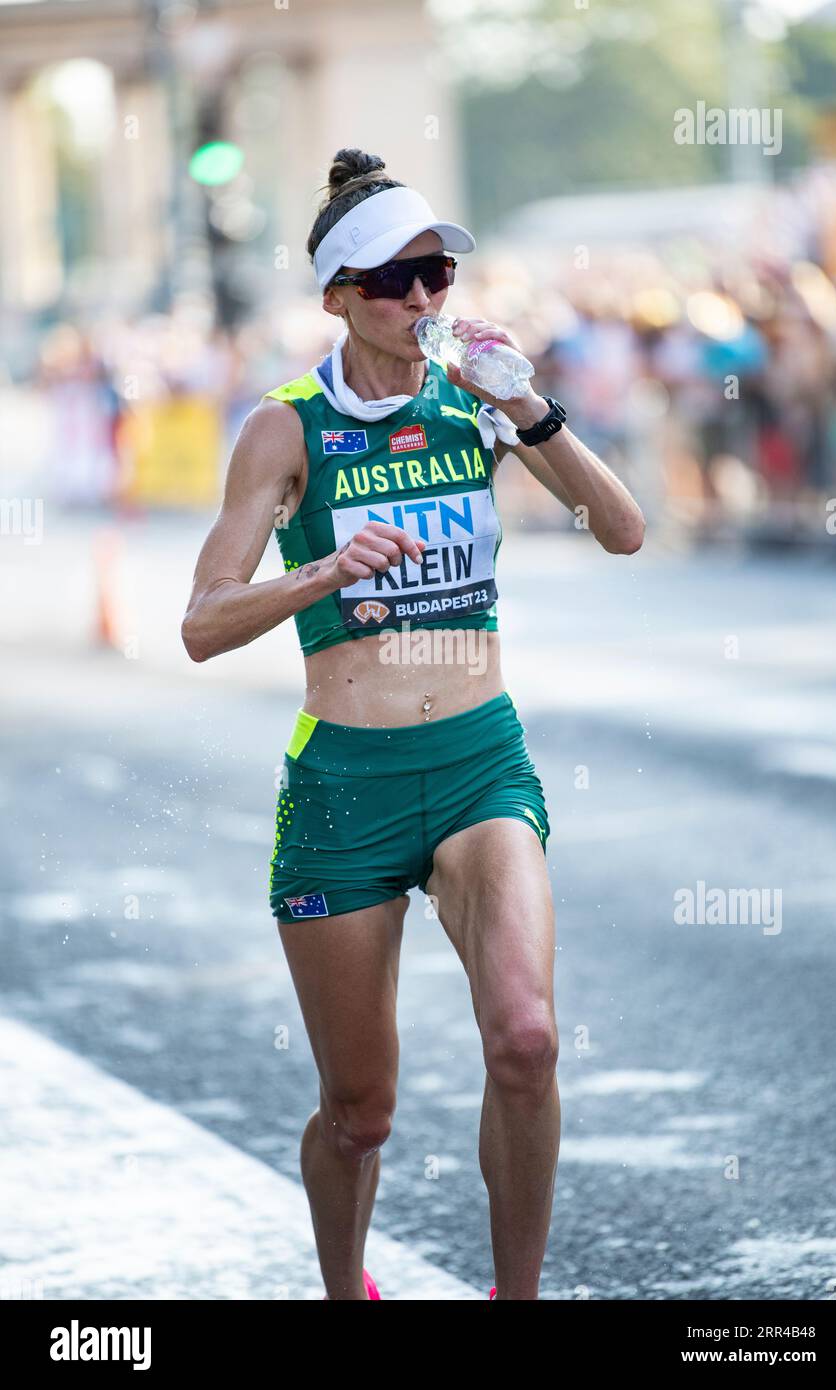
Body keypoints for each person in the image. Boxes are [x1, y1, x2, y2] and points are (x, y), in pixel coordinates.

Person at [181, 148, 645, 1301]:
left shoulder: (476, 403)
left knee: (527, 1042)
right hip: (345, 783)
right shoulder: (284, 430)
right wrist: (323, 568)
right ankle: (347, 1289)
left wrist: (530, 410)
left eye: (437, 273)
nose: (425, 301)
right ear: (338, 296)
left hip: (479, 758)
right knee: (359, 1110)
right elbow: (200, 624)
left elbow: (623, 528)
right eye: (396, 282)